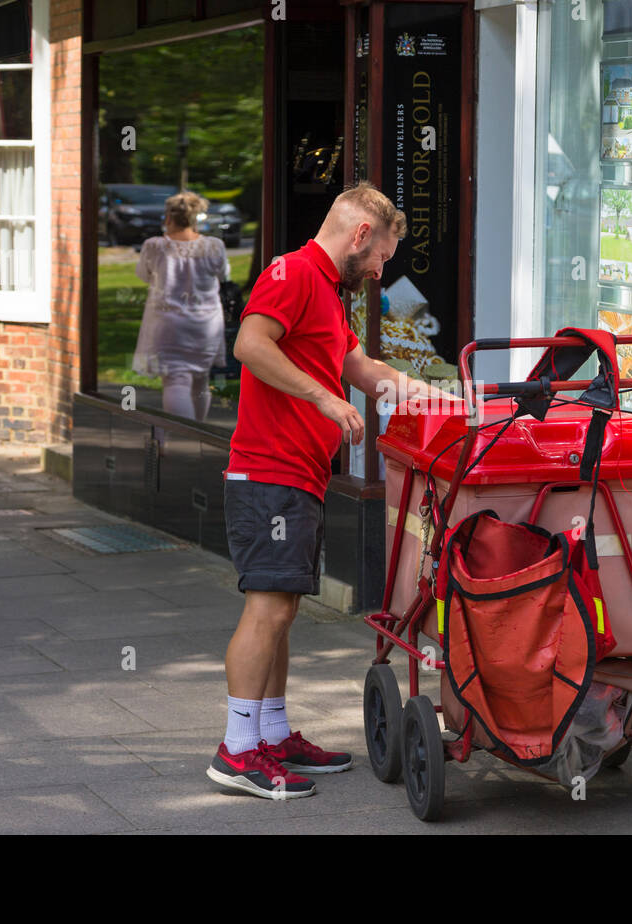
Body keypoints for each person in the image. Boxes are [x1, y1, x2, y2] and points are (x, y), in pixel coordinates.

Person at [207, 180, 459, 799]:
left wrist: (433, 396)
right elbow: (248, 344)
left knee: (284, 609)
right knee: (267, 607)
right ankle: (237, 751)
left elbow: (360, 369)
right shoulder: (292, 273)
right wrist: (322, 399)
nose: (379, 272)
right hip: (269, 472)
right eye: (381, 258)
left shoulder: (326, 290)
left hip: (297, 474)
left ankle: (272, 733)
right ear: (362, 235)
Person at [131, 191, 230, 422]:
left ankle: (183, 439)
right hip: (206, 324)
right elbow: (224, 274)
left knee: (176, 380)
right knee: (201, 379)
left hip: (169, 324)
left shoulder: (154, 246)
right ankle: (199, 433)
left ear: (168, 217)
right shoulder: (214, 246)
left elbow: (143, 275)